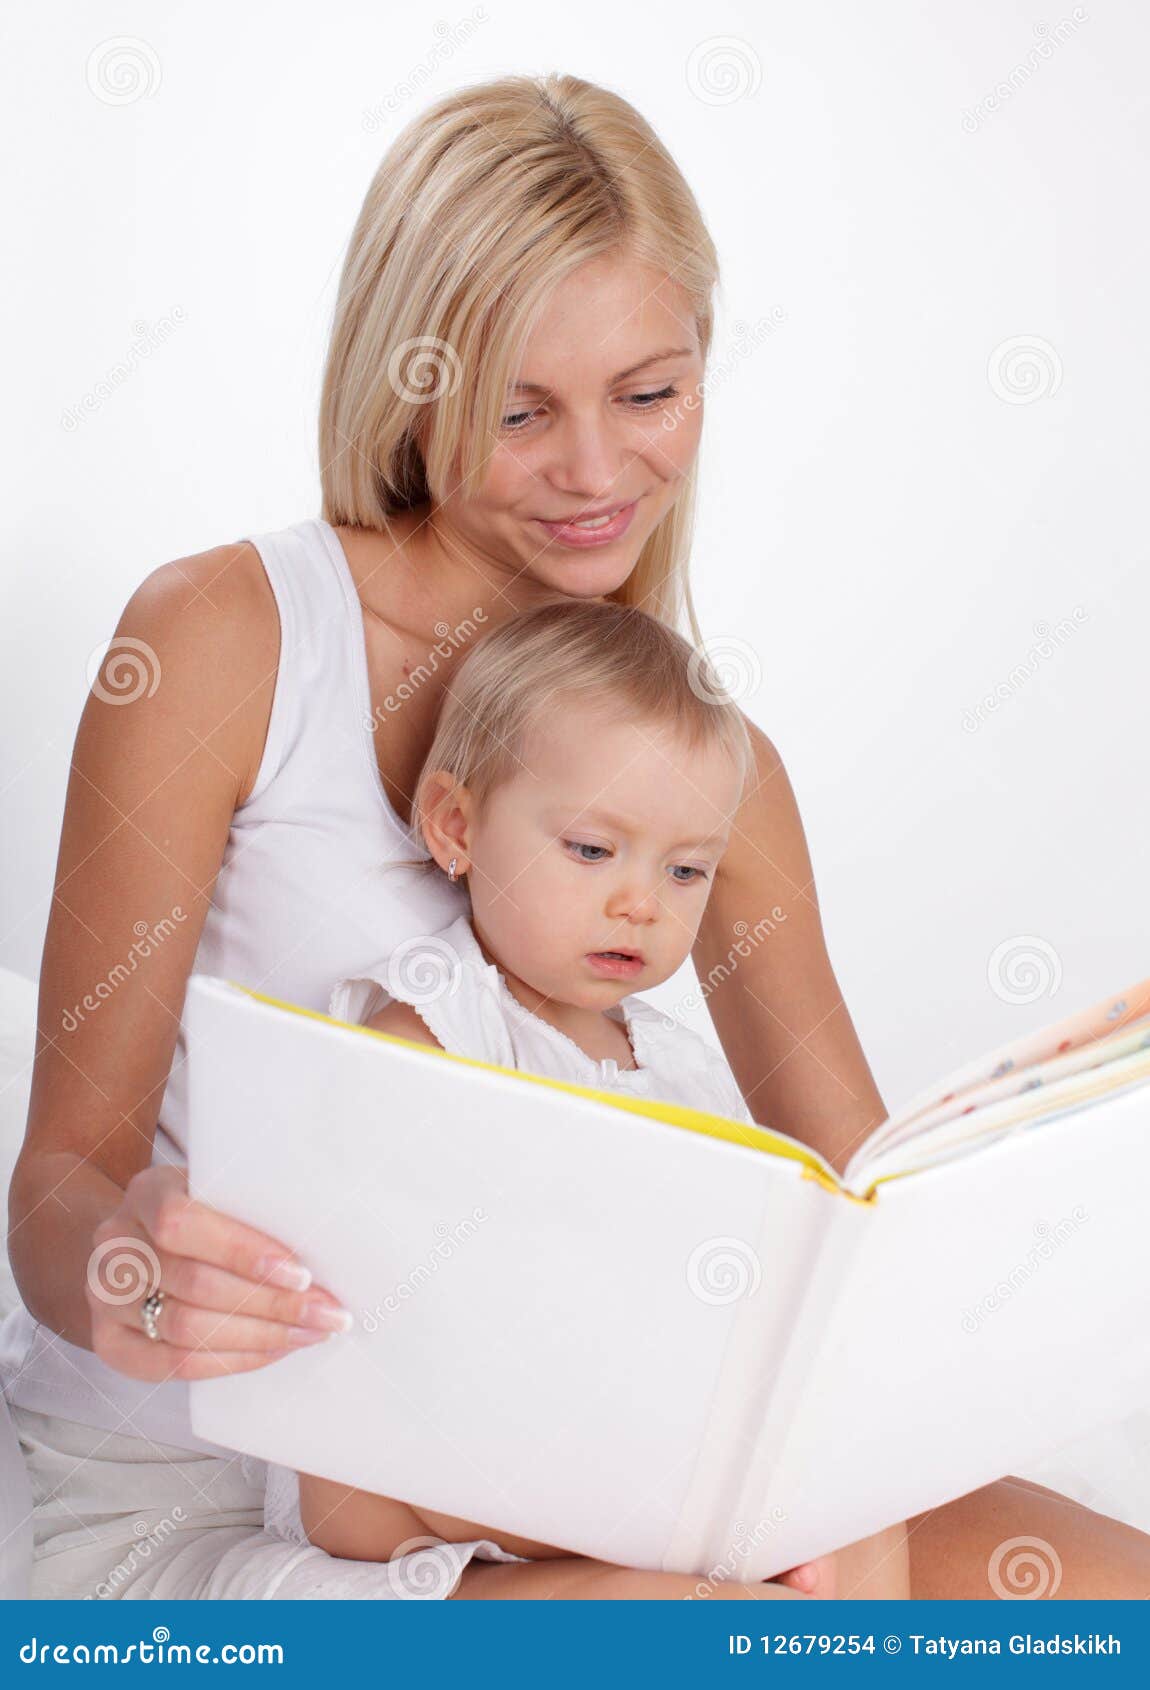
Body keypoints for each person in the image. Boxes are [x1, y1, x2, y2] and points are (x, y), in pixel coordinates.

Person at [3, 70, 1149, 1601]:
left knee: (1104, 1591)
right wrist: (127, 1272)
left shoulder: (710, 769)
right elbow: (63, 1182)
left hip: (573, 1463)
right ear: (410, 384)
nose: (599, 473)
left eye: (648, 394)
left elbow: (859, 1219)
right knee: (724, 1635)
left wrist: (1030, 1204)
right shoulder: (221, 642)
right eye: (517, 409)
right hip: (228, 1498)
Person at [261, 596, 909, 1599]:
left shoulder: (674, 1066)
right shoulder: (431, 1029)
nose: (640, 902)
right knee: (717, 1519)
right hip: (399, 1467)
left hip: (592, 1432)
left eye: (686, 869)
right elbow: (371, 1298)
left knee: (854, 1506)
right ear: (455, 826)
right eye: (593, 850)